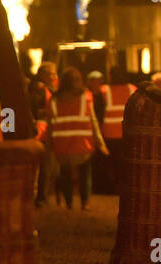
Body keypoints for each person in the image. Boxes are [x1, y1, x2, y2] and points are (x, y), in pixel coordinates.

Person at [48, 66, 107, 210]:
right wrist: (100, 142)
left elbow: (50, 124)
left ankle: (68, 202)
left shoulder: (54, 100)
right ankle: (85, 202)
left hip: (61, 145)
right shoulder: (86, 97)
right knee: (85, 173)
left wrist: (49, 145)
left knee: (65, 174)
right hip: (82, 144)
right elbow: (93, 120)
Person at [100, 65, 137, 192]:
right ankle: (125, 186)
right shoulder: (132, 89)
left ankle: (112, 187)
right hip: (128, 132)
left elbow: (100, 111)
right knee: (126, 162)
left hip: (110, 132)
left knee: (112, 162)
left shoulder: (104, 90)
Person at [30, 62, 59, 207]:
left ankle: (42, 196)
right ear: (43, 74)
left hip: (45, 132)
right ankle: (41, 198)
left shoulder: (46, 89)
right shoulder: (38, 90)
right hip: (41, 133)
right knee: (45, 167)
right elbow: (37, 110)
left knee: (47, 168)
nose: (55, 77)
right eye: (52, 74)